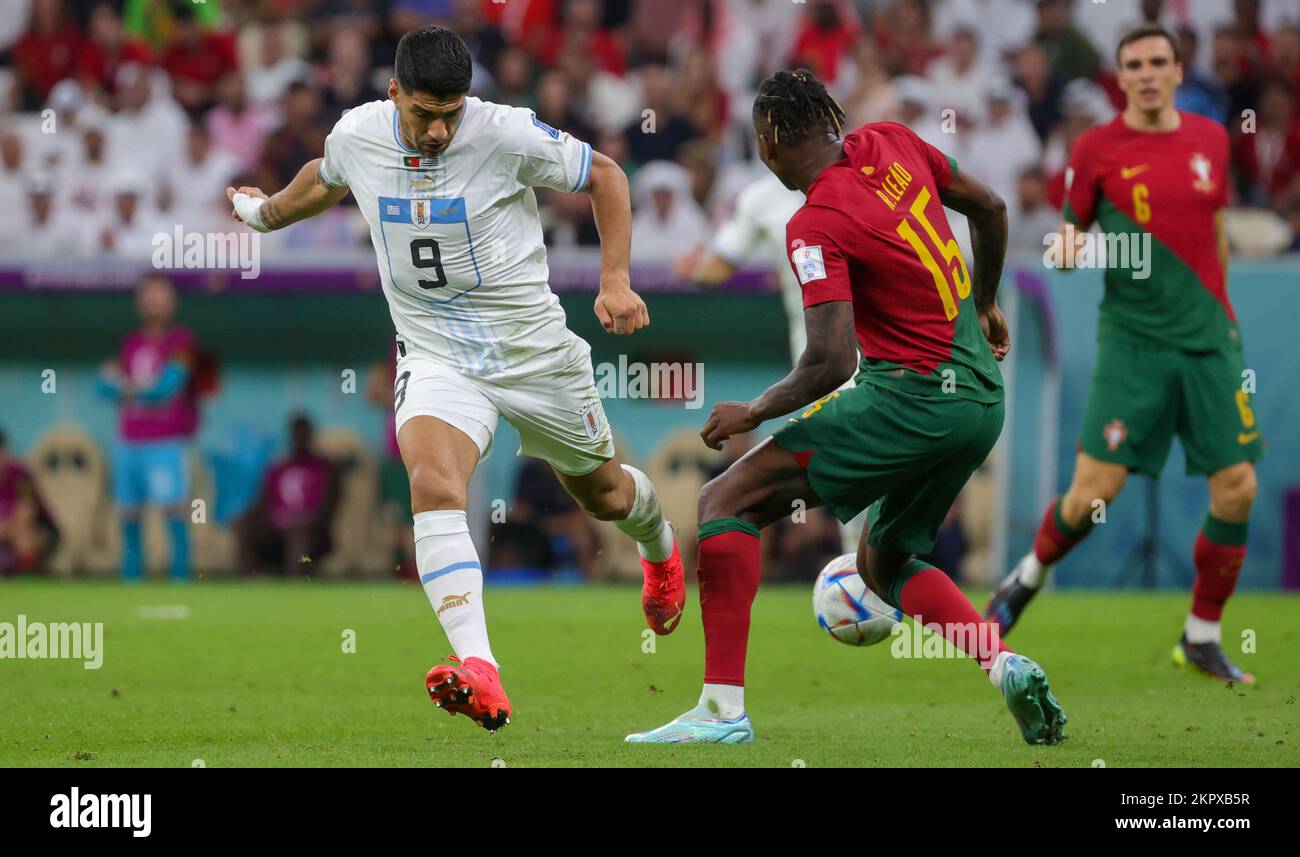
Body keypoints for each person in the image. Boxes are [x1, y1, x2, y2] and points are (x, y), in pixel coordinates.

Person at [226, 26, 685, 733]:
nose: (439, 129)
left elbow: (606, 176)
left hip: (533, 355)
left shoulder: (505, 134)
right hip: (436, 356)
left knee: (606, 495)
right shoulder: (359, 134)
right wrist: (261, 213)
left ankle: (659, 549)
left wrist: (615, 279)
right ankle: (482, 668)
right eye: (423, 114)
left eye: (452, 113)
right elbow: (323, 179)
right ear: (393, 95)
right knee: (434, 486)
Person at [627, 69, 1066, 747]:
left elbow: (833, 361)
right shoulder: (892, 139)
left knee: (724, 501)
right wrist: (984, 299)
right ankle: (1002, 661)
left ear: (769, 142)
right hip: (981, 399)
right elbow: (993, 208)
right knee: (884, 560)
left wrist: (754, 410)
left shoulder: (812, 224)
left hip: (907, 397)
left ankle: (721, 711)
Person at [986, 25, 1262, 685]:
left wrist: (1220, 310)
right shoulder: (1096, 147)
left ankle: (1201, 634)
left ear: (1176, 69)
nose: (1146, 72)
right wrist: (1066, 252)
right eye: (1133, 63)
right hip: (1132, 343)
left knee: (1238, 487)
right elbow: (1068, 234)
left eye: (1157, 61)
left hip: (1208, 340)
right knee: (1093, 493)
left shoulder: (1211, 139)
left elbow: (1216, 230)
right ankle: (1026, 578)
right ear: (1121, 76)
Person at [97, 275, 201, 581]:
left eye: (161, 295)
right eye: (149, 295)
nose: (154, 301)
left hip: (166, 442)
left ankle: (180, 579)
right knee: (128, 512)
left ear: (172, 302)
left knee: (173, 511)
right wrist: (130, 386)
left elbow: (168, 386)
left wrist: (124, 386)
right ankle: (131, 581)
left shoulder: (181, 341)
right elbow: (102, 387)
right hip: (129, 441)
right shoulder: (131, 343)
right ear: (139, 301)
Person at [236, 415, 339, 577]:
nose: (300, 438)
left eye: (304, 433)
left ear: (311, 435)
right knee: (244, 524)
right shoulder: (278, 468)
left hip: (309, 531)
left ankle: (295, 590)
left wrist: (307, 519)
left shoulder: (324, 467)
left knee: (297, 534)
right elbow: (263, 502)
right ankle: (251, 583)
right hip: (275, 529)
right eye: (296, 433)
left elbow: (328, 505)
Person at [0, 429, 58, 576]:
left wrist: (5, 530)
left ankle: (26, 574)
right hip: (8, 530)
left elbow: (27, 511)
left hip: (39, 527)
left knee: (23, 536)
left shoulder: (20, 475)